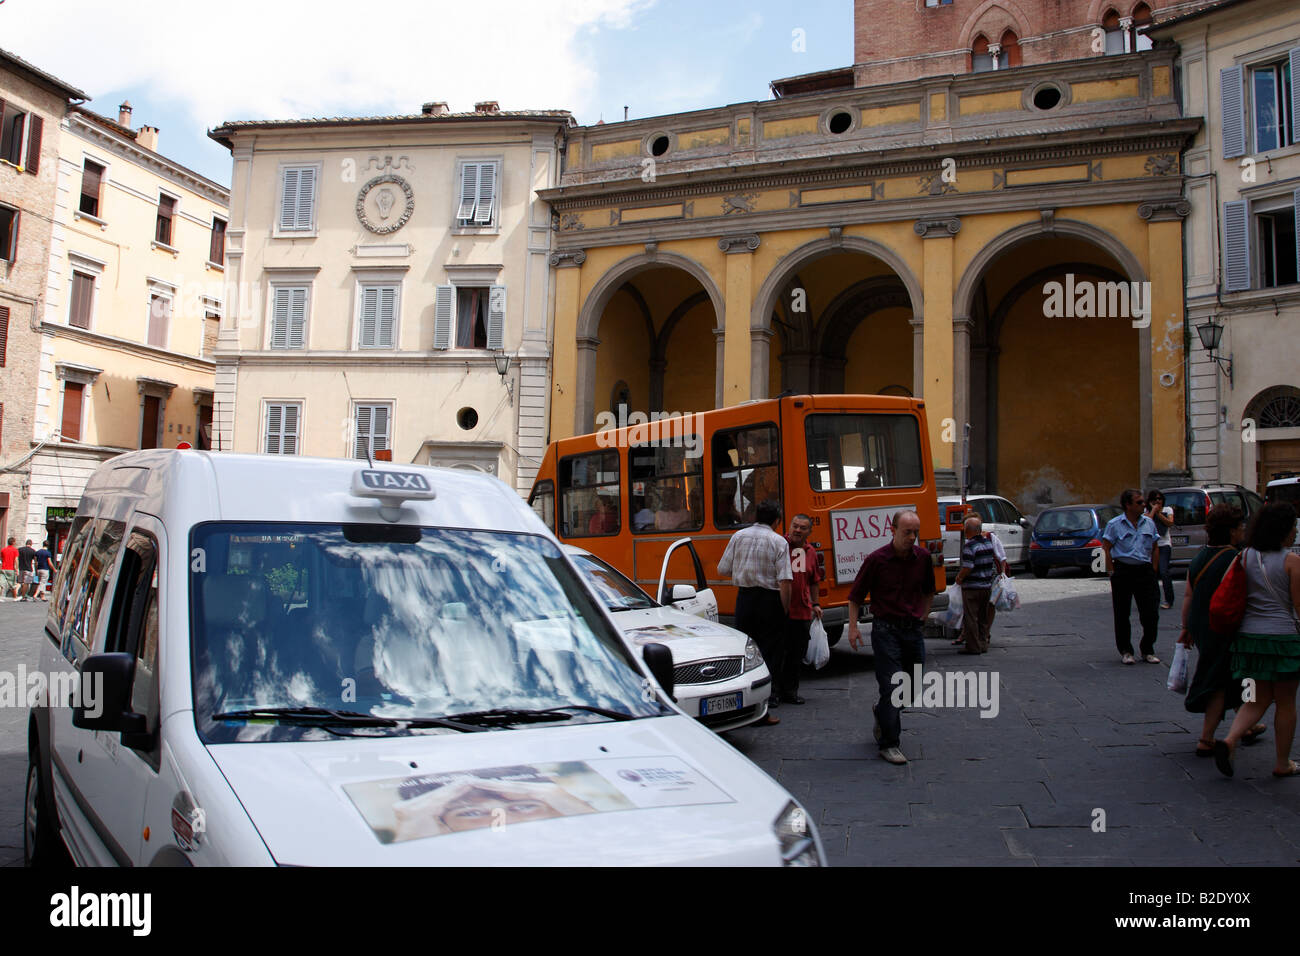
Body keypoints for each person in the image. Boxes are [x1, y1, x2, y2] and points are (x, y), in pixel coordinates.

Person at [1214, 502, 1300, 778]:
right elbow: (1299, 606)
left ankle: (1230, 740)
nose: (1295, 533)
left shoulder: (1245, 556)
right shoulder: (1292, 561)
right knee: (1286, 702)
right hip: (1283, 639)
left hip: (1250, 638)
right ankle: (1282, 763)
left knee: (1256, 699)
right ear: (1283, 531)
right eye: (1293, 528)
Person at [845, 510, 936, 764]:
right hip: (886, 629)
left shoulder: (923, 558)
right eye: (907, 532)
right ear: (893, 529)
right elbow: (855, 596)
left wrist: (924, 615)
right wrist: (853, 628)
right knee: (892, 687)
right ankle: (889, 743)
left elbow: (930, 590)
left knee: (913, 687)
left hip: (913, 629)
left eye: (915, 532)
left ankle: (883, 711)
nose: (912, 537)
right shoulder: (877, 560)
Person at [1178, 505, 1265, 757]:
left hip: (1201, 623)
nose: (1243, 531)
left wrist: (1186, 627)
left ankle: (1246, 725)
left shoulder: (1199, 557)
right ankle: (1206, 739)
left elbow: (1188, 595)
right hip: (1224, 625)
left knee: (1228, 673)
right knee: (1220, 679)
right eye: (1240, 527)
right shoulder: (1236, 558)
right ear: (1230, 531)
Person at [717, 500, 791, 727]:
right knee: (769, 652)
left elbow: (722, 569)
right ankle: (766, 702)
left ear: (755, 516)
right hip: (770, 600)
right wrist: (784, 609)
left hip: (745, 599)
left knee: (747, 650)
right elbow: (785, 580)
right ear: (777, 521)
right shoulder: (778, 541)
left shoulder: (738, 536)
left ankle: (746, 701)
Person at [1102, 488, 1161, 664]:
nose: (1144, 505)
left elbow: (1156, 546)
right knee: (1122, 613)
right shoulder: (1115, 524)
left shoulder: (1149, 523)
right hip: (1124, 570)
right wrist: (1112, 571)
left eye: (1143, 501)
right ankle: (1126, 651)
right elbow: (1106, 547)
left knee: (1151, 613)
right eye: (1139, 502)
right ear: (1128, 505)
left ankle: (1147, 649)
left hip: (1144, 570)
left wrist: (1154, 569)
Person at [782, 513, 823, 705]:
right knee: (778, 652)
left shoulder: (811, 552)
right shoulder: (780, 546)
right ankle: (774, 692)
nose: (797, 530)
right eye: (795, 526)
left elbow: (814, 581)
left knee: (796, 654)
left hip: (803, 610)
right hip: (781, 610)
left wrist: (816, 604)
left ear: (809, 532)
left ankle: (791, 691)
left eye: (802, 528)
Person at [955, 515, 997, 654]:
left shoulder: (969, 546)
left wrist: (959, 578)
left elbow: (968, 567)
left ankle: (973, 647)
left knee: (971, 618)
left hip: (972, 588)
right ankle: (983, 644)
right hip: (986, 587)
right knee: (983, 618)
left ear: (968, 530)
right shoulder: (988, 543)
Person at [1148, 489, 1176, 609]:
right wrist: (1153, 511)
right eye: (1155, 499)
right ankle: (1155, 599)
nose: (1158, 501)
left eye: (1160, 499)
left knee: (1164, 571)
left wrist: (1158, 513)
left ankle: (1169, 600)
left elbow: (1170, 523)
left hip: (1164, 544)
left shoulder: (1167, 510)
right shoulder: (1147, 512)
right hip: (1152, 545)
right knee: (1153, 573)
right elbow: (1146, 522)